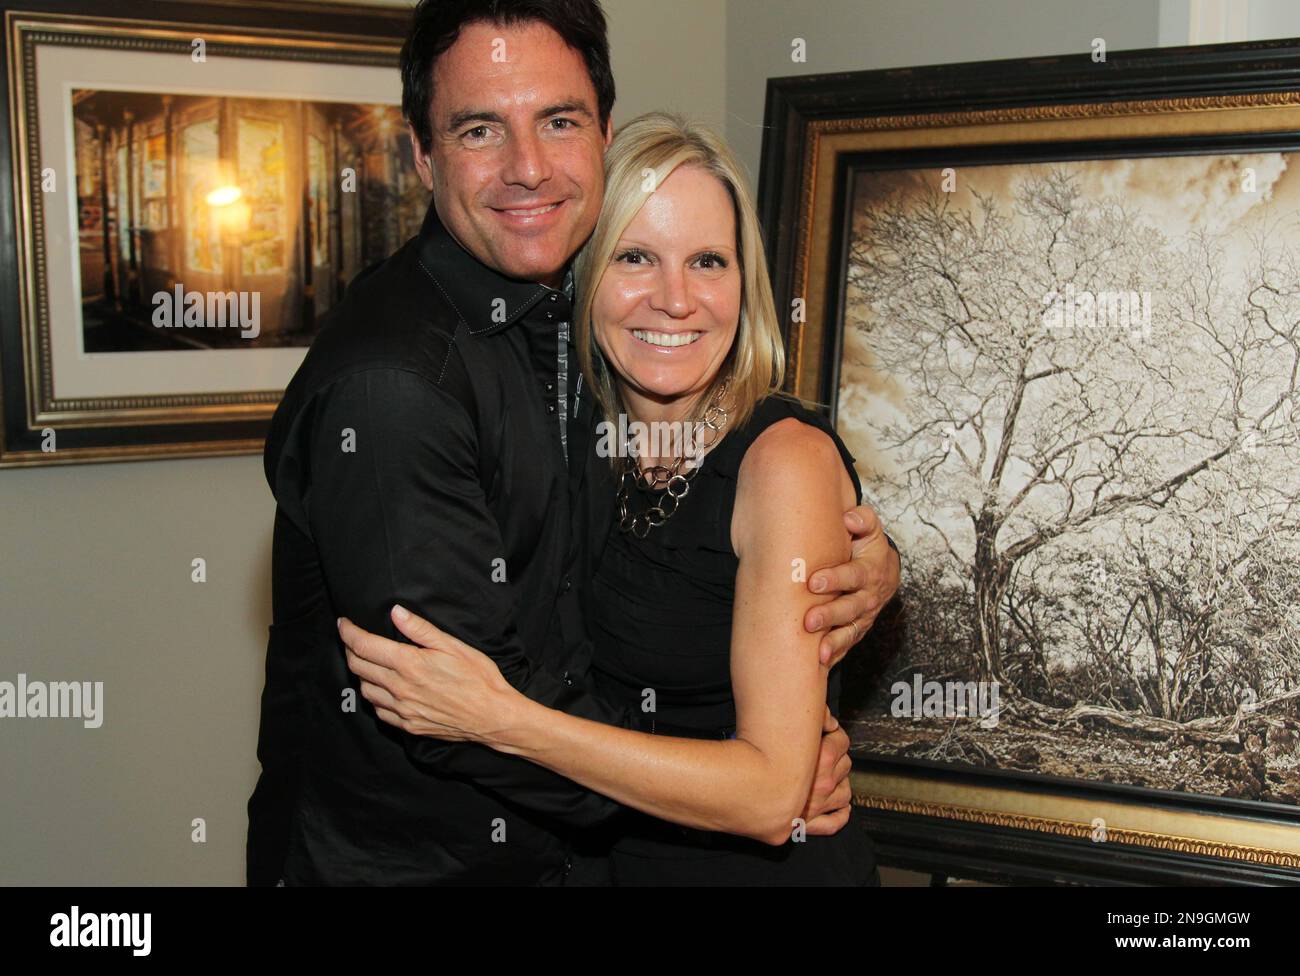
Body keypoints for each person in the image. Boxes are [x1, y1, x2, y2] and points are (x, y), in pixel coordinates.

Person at [248, 0, 899, 886]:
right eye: (481, 128)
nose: (528, 168)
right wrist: (753, 774)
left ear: (599, 134)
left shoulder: (579, 361)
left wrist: (869, 565)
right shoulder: (403, 386)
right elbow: (462, 710)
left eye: (709, 260)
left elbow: (750, 770)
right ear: (422, 154)